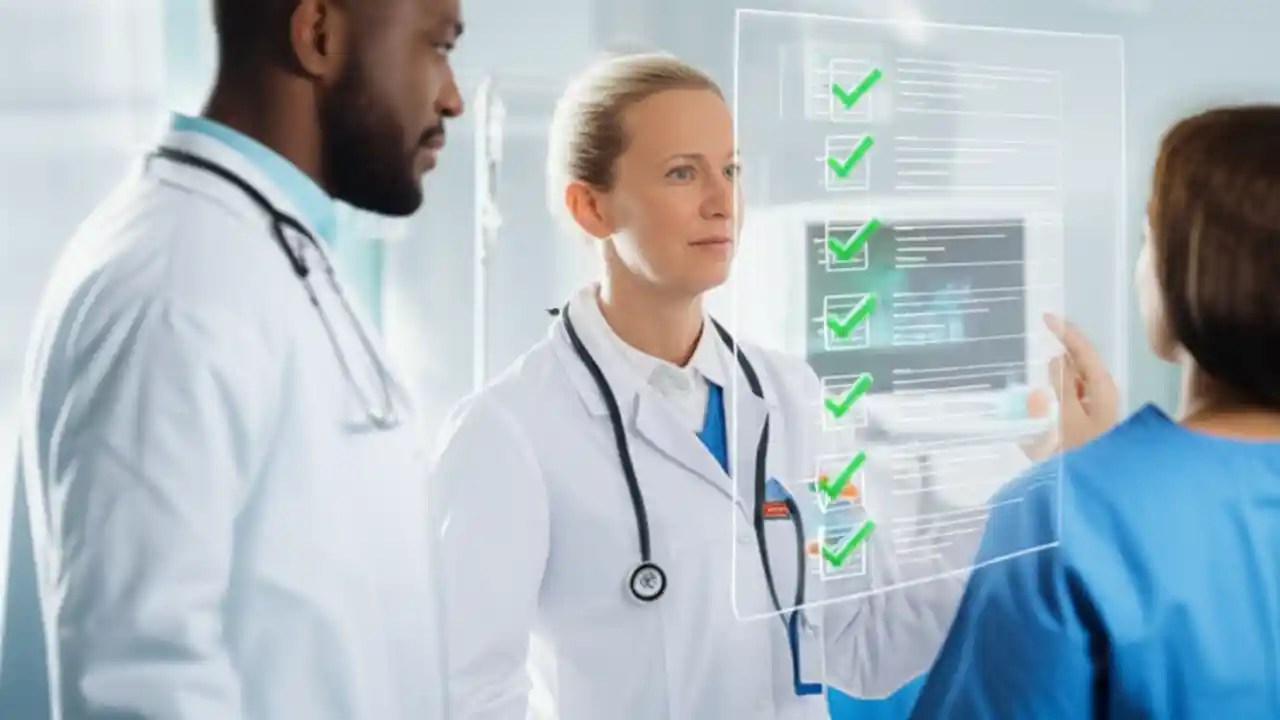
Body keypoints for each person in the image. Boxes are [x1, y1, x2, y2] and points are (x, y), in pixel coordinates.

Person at [429, 52, 973, 720]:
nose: (723, 203)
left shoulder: (794, 397)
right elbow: (466, 693)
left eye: (732, 170)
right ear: (590, 206)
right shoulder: (509, 431)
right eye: (682, 172)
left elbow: (861, 640)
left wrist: (1033, 499)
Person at [14, 0, 463, 717]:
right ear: (317, 34)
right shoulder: (180, 283)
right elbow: (141, 684)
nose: (453, 96)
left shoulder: (261, 249)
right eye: (437, 46)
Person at [911, 105, 1280, 718]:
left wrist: (1078, 490)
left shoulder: (1057, 514)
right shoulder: (1076, 508)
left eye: (1147, 238)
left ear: (1179, 271)